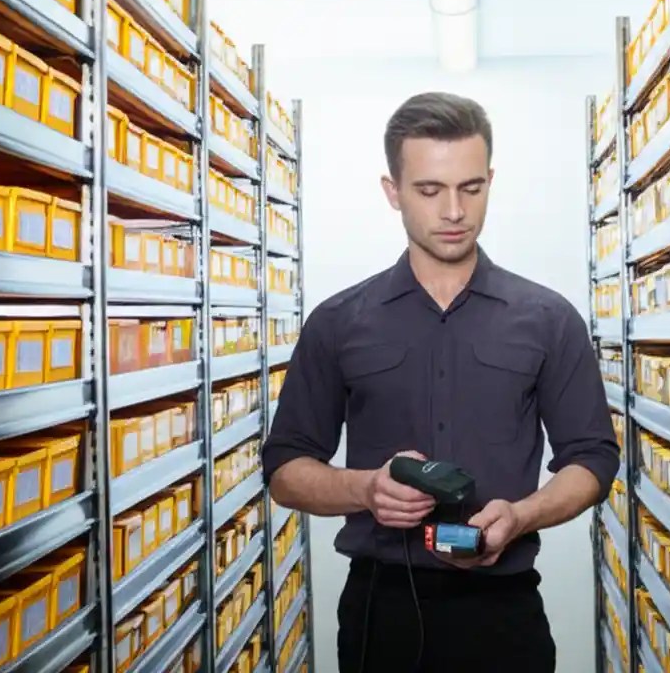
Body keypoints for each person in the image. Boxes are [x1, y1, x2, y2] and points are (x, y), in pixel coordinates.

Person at [261, 91, 620, 673]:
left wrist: (523, 515)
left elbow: (593, 457)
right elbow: (285, 469)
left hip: (504, 613)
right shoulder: (338, 322)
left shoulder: (549, 319)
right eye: (430, 190)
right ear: (393, 191)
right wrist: (366, 489)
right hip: (382, 613)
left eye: (471, 188)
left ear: (489, 181)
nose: (453, 210)